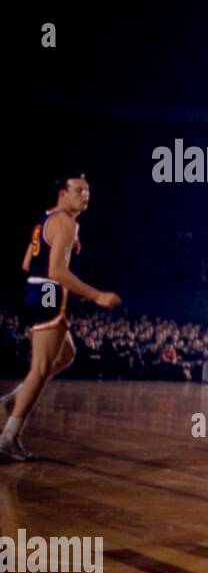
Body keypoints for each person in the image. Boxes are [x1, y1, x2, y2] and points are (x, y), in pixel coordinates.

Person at [2, 172, 121, 461]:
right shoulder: (66, 224)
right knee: (41, 368)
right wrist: (96, 295)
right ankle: (8, 437)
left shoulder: (45, 219)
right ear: (62, 194)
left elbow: (27, 262)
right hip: (48, 294)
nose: (85, 195)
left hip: (37, 291)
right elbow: (56, 272)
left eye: (88, 191)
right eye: (79, 190)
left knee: (66, 355)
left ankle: (12, 401)